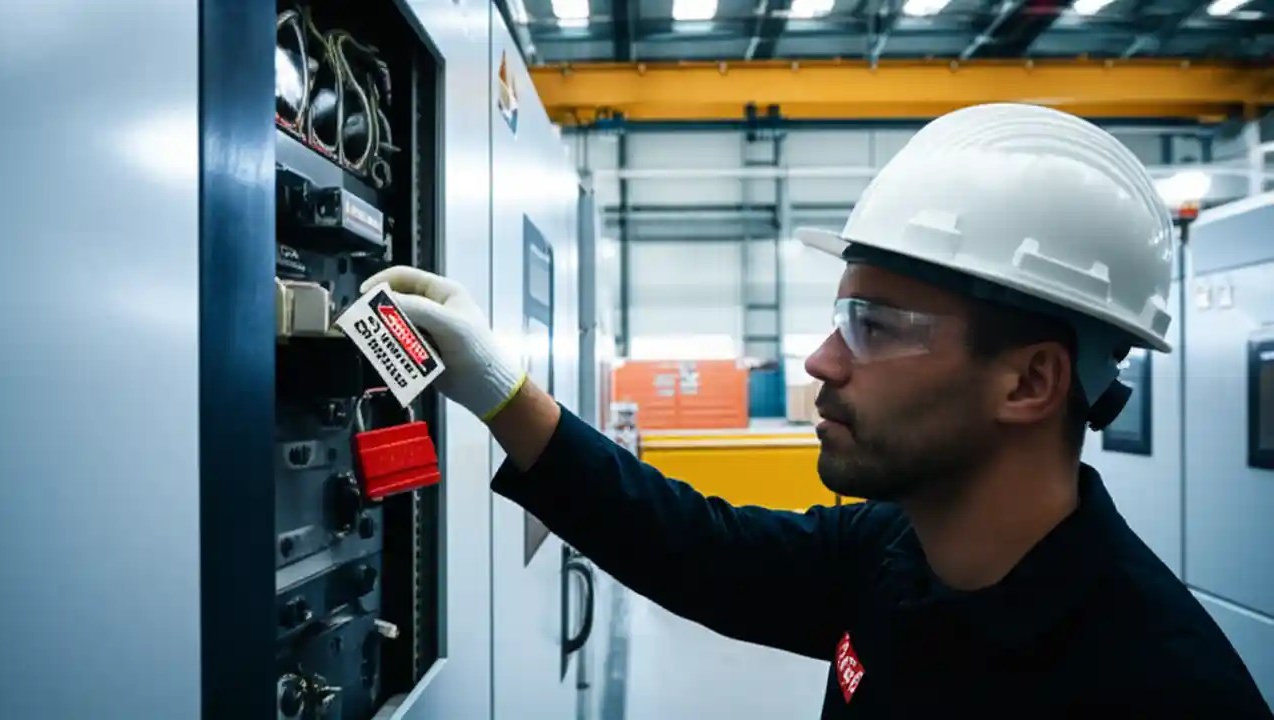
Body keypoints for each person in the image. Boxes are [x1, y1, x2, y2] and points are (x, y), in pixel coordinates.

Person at [361, 103, 1272, 717]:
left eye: (877, 327)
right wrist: (494, 387)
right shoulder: (890, 553)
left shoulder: (1163, 686)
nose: (820, 360)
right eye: (843, 318)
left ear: (1029, 382)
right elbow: (692, 545)